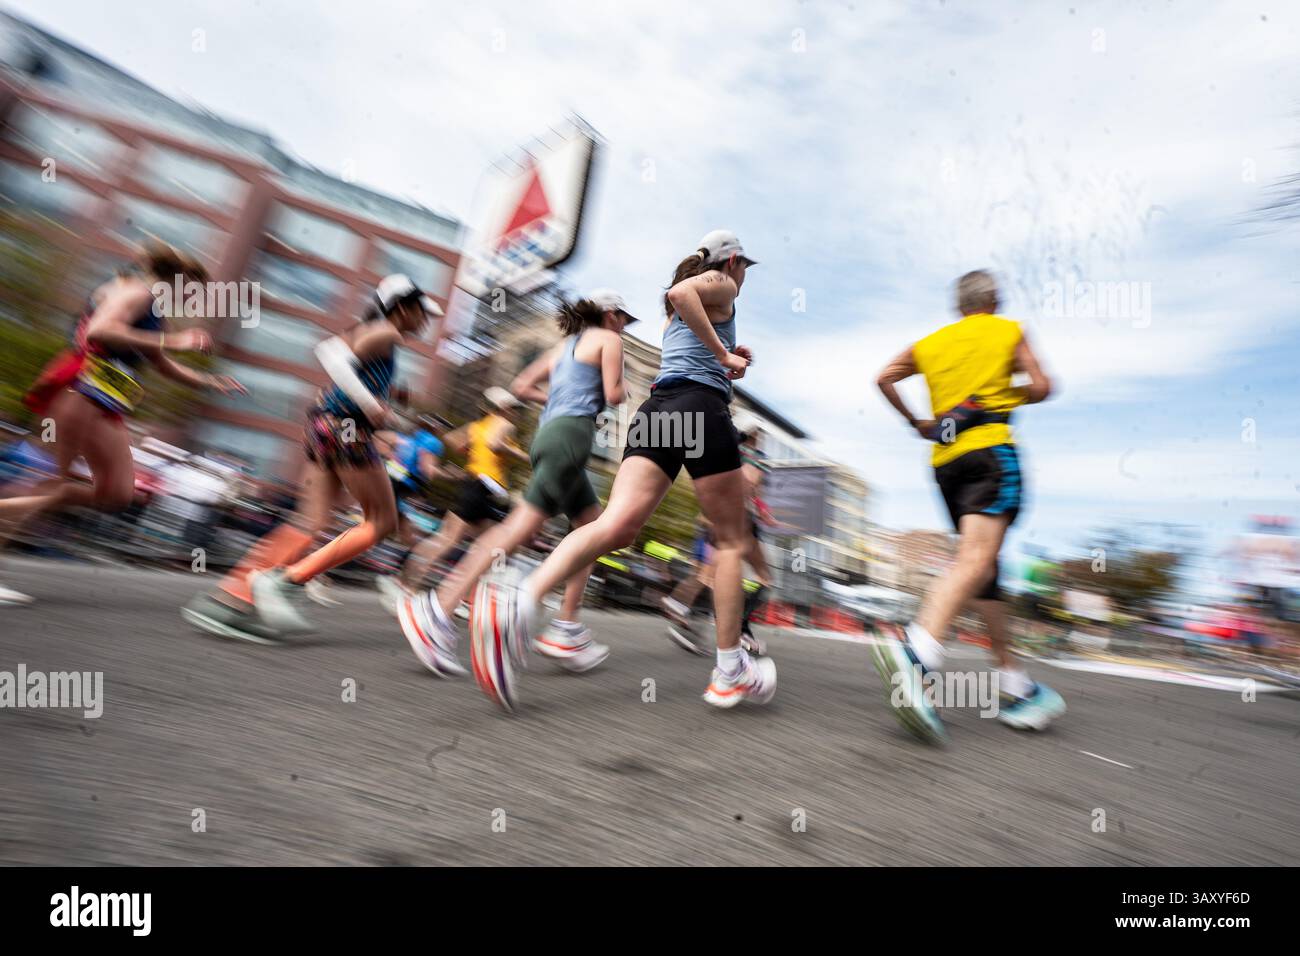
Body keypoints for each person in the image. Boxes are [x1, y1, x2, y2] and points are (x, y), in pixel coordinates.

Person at [485, 230, 777, 710]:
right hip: (701, 411)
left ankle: (520, 602)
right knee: (730, 541)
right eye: (745, 265)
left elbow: (686, 332)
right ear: (733, 261)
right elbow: (680, 293)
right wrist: (725, 356)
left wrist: (726, 359)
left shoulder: (680, 317)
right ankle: (729, 671)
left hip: (659, 411)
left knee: (615, 525)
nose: (744, 275)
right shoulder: (719, 284)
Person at [182, 274, 441, 641]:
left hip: (324, 426)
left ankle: (232, 598)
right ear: (402, 308)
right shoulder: (387, 331)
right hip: (346, 429)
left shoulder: (380, 336)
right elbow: (330, 353)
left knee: (312, 520)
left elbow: (348, 368)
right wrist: (370, 404)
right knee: (381, 522)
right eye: (422, 313)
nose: (426, 322)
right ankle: (286, 581)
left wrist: (384, 396)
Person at [400, 290, 636, 688]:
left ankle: (566, 626)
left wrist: (559, 397)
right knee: (519, 526)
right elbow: (615, 394)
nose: (625, 327)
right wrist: (616, 388)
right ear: (610, 314)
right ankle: (438, 609)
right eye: (624, 319)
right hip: (570, 437)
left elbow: (521, 385)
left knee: (594, 528)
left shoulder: (564, 346)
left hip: (550, 434)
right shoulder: (609, 340)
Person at [871, 269, 1065, 740]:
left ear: (959, 305)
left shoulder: (932, 343)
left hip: (945, 461)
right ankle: (918, 651)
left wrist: (916, 421)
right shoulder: (1007, 330)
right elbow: (1043, 386)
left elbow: (884, 379)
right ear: (994, 300)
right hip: (991, 453)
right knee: (975, 561)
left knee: (985, 572)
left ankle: (1015, 683)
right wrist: (1009, 392)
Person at [0, 243, 244, 605]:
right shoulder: (136, 291)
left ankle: (52, 494)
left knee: (117, 493)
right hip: (80, 392)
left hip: (105, 403)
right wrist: (176, 339)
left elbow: (159, 362)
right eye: (193, 290)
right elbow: (100, 332)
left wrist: (207, 381)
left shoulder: (151, 304)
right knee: (50, 482)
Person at [662, 414, 775, 656]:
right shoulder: (756, 457)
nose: (762, 438)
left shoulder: (726, 450)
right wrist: (758, 511)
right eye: (761, 434)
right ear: (755, 434)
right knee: (762, 577)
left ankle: (689, 623)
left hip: (716, 516)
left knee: (712, 574)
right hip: (739, 521)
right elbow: (751, 485)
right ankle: (739, 633)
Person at [373, 414, 458, 612]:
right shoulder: (433, 442)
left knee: (407, 537)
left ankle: (396, 580)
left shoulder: (413, 436)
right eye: (443, 426)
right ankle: (394, 579)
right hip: (400, 489)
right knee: (380, 531)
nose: (444, 431)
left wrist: (388, 455)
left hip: (390, 484)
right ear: (437, 427)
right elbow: (427, 469)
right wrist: (452, 476)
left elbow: (382, 438)